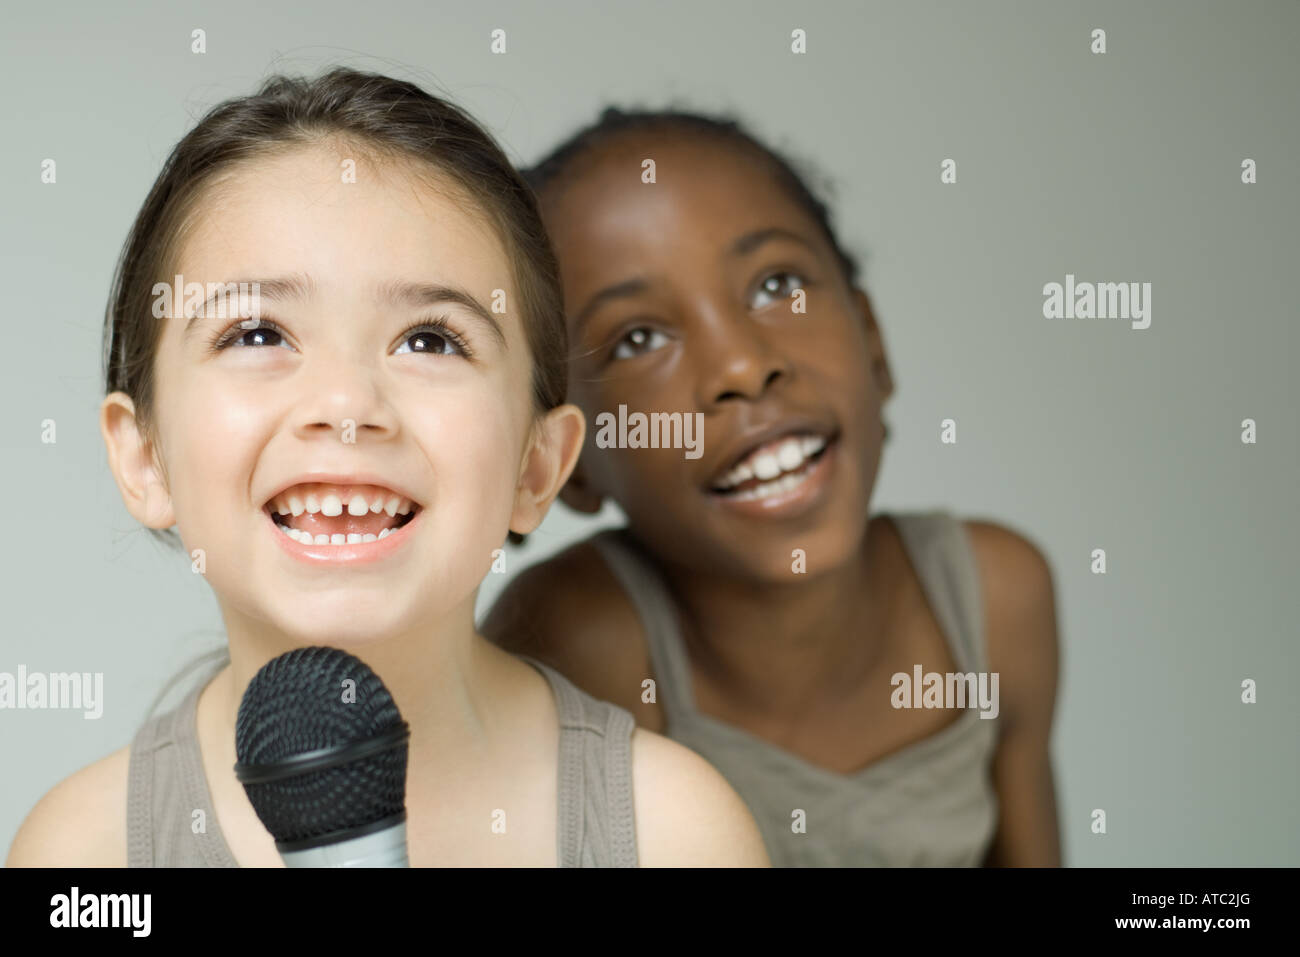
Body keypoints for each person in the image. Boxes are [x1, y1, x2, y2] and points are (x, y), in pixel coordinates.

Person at [6, 73, 768, 868]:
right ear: (144, 457)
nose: (345, 403)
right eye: (259, 333)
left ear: (536, 468)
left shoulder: (671, 833)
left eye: (431, 340)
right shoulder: (83, 854)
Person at [484, 108, 1062, 866]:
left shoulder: (993, 598)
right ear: (571, 461)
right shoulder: (583, 640)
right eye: (638, 338)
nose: (741, 367)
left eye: (776, 285)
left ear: (873, 340)